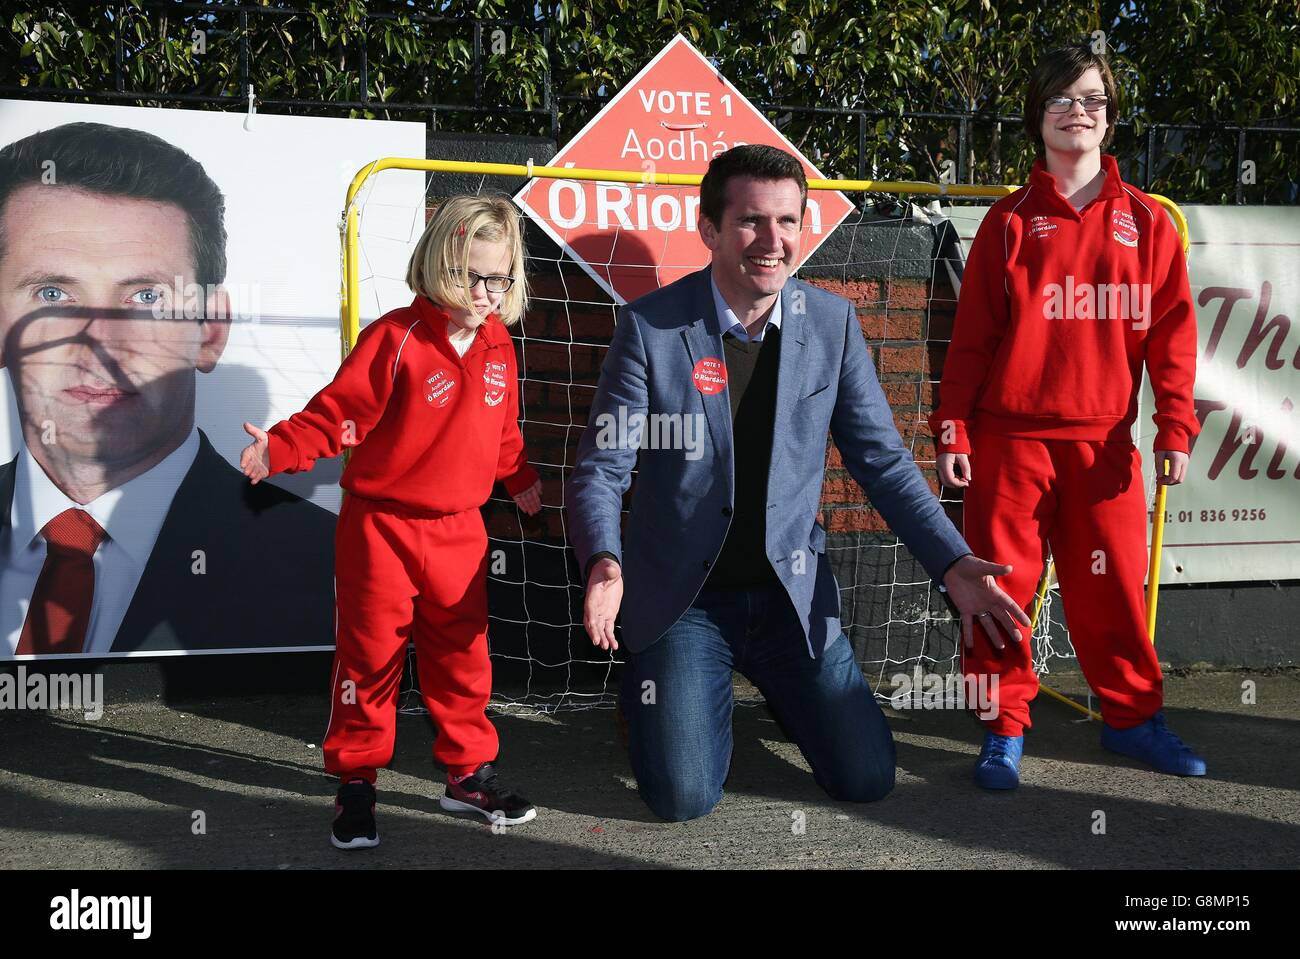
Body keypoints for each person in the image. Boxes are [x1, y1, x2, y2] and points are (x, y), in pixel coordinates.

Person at [566, 144, 1029, 822]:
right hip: (686, 600)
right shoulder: (651, 328)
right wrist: (605, 561)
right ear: (710, 229)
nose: (771, 240)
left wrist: (952, 561)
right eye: (751, 221)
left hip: (789, 594)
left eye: (787, 221)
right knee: (684, 796)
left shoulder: (834, 323)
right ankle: (661, 686)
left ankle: (782, 691)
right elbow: (602, 468)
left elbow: (884, 462)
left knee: (867, 777)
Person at [928, 45, 1206, 789]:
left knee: (1110, 589)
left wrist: (1175, 424)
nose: (1077, 110)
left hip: (1105, 448)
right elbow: (974, 337)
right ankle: (1003, 728)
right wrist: (953, 426)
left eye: (1092, 99)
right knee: (998, 591)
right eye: (1061, 98)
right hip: (1009, 444)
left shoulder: (1148, 222)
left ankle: (1132, 720)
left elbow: (1173, 334)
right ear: (1036, 116)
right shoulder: (1008, 222)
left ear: (1109, 120)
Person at [241, 195, 544, 847]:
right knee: (368, 660)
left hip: (460, 533)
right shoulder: (395, 338)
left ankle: (466, 776)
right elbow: (333, 416)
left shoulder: (499, 346)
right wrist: (278, 448)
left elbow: (504, 432)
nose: (486, 291)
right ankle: (355, 782)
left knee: (463, 658)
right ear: (439, 264)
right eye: (472, 275)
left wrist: (518, 477)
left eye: (500, 277)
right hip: (380, 531)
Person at [0, 121, 334, 658]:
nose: (100, 342)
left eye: (147, 297)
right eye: (53, 292)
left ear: (210, 330)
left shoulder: (328, 566)